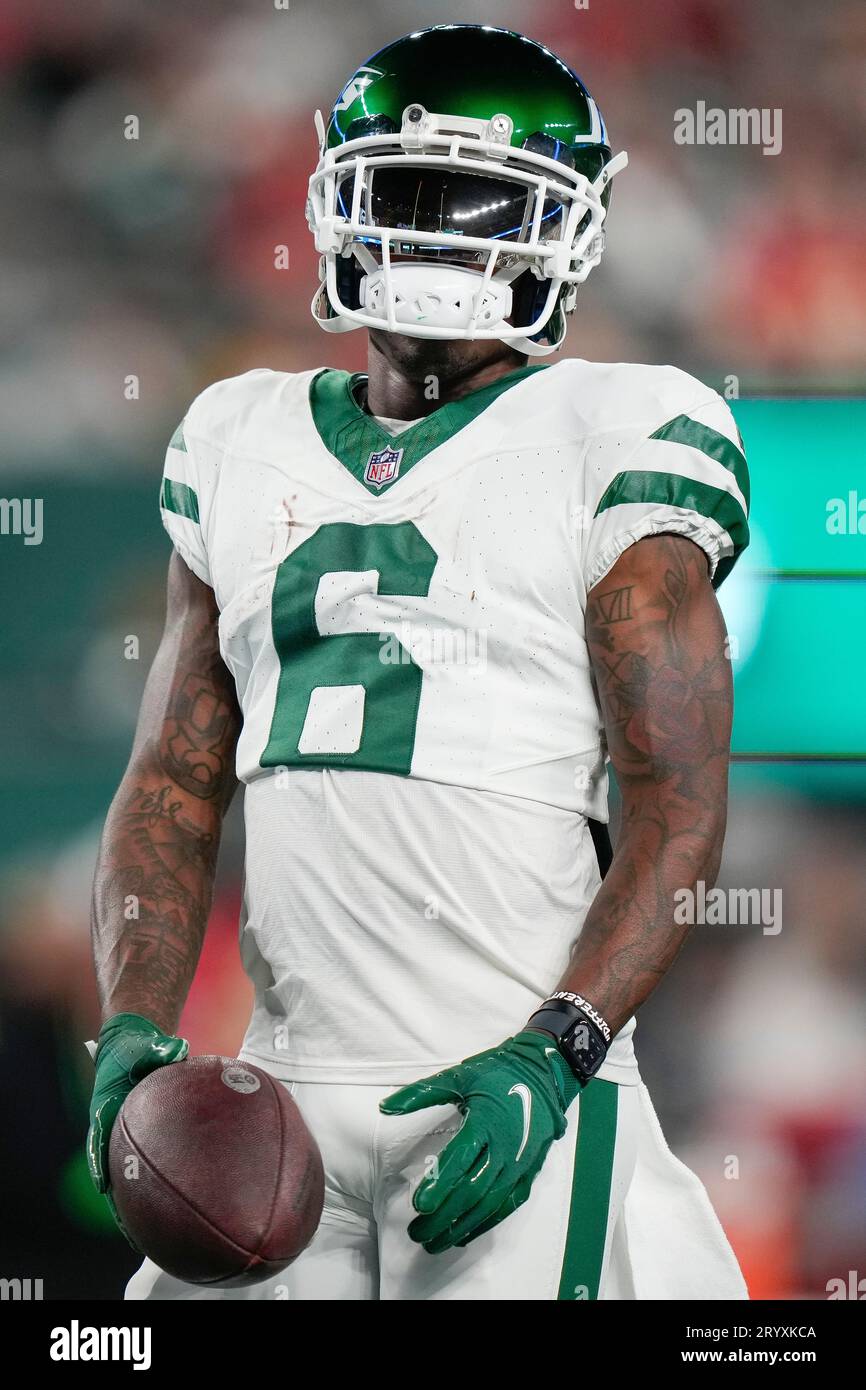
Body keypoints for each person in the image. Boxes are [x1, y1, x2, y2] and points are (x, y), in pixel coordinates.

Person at [88, 24, 749, 1300]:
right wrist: (131, 1018)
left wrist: (556, 1051)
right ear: (340, 200)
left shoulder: (613, 429)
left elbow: (678, 809)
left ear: (565, 226)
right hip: (276, 1090)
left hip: (506, 1079)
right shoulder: (237, 431)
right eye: (407, 195)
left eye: (486, 204)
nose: (443, 237)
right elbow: (171, 780)